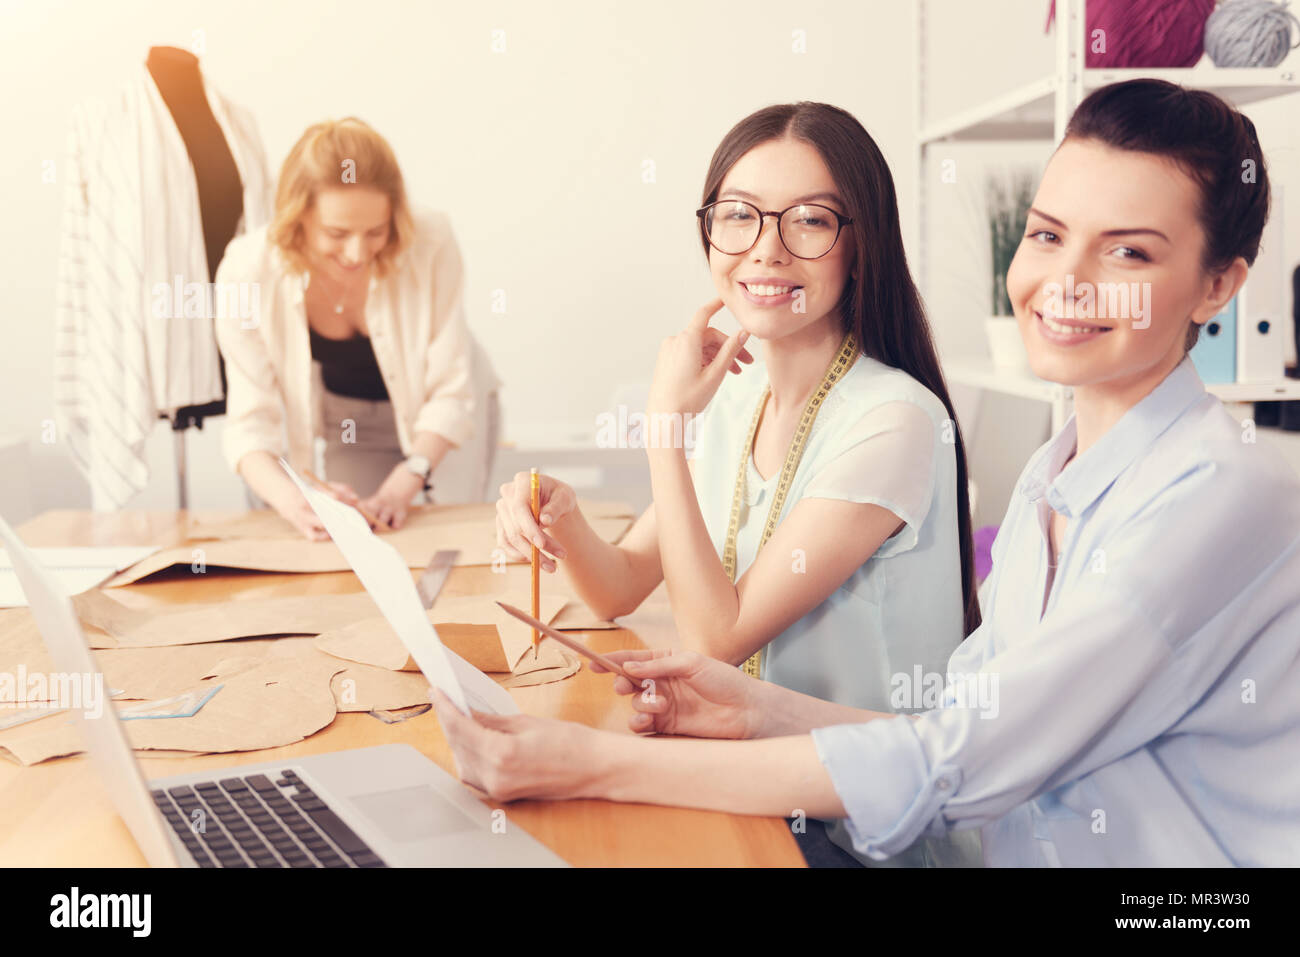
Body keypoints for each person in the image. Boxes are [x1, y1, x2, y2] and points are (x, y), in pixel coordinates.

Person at [437, 80, 1300, 866]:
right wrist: (751, 710)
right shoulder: (1053, 472)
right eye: (1045, 235)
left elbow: (961, 759)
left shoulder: (1223, 495)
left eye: (1129, 255)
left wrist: (596, 764)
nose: (1063, 282)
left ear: (1218, 285)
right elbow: (960, 725)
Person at [496, 102, 982, 866]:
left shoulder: (895, 421)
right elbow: (618, 585)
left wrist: (664, 425)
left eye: (811, 222)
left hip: (862, 833)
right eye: (738, 217)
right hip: (761, 792)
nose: (766, 250)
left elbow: (714, 639)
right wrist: (558, 517)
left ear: (862, 244)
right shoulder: (736, 398)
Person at [214, 117, 500, 539]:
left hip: (445, 416)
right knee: (359, 537)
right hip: (350, 419)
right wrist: (297, 502)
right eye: (336, 232)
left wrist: (409, 478)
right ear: (298, 219)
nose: (356, 252)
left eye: (375, 232)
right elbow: (249, 422)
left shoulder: (432, 240)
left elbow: (451, 392)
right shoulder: (247, 272)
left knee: (452, 541)